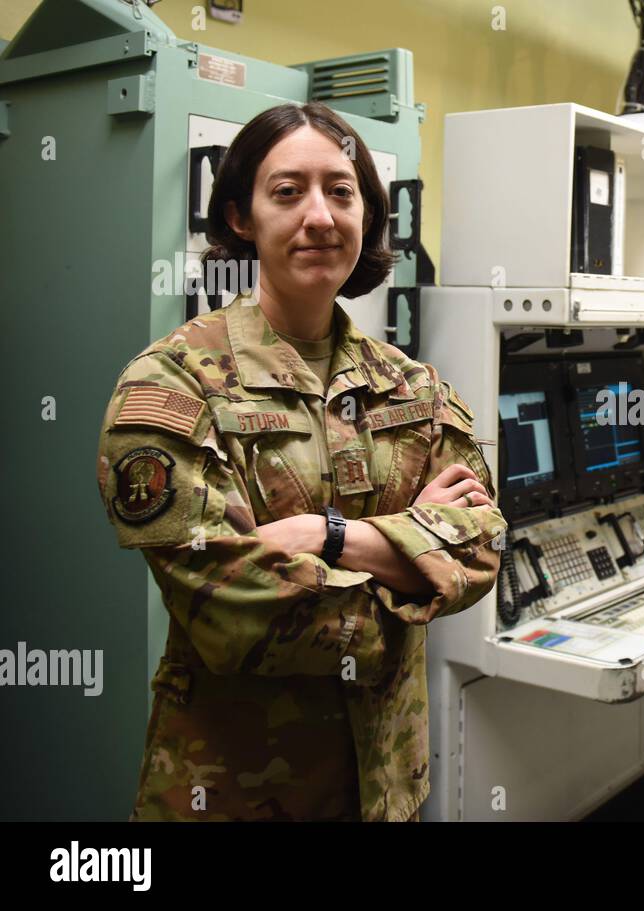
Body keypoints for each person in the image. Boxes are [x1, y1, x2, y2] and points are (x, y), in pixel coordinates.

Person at [95, 102, 505, 821]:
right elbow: (235, 613)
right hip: (234, 796)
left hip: (387, 791)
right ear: (240, 216)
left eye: (341, 192)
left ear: (367, 215)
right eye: (288, 191)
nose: (320, 215)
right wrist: (410, 571)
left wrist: (329, 536)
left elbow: (482, 543)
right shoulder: (172, 383)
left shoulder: (411, 384)